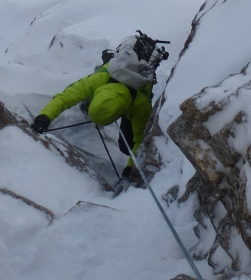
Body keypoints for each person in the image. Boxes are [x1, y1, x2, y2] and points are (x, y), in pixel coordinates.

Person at [31, 32, 168, 184]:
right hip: (112, 80)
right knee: (85, 95)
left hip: (133, 93)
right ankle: (108, 62)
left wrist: (130, 169)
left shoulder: (141, 104)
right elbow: (65, 97)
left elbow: (139, 139)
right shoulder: (98, 80)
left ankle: (109, 62)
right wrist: (45, 116)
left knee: (126, 147)